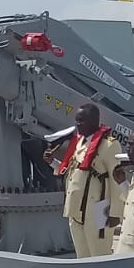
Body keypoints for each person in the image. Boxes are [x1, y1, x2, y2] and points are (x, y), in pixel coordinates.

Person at [47, 103, 124, 257]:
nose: (77, 124)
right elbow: (72, 172)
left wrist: (116, 213)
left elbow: (117, 180)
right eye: (76, 120)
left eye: (81, 120)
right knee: (82, 254)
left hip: (98, 208)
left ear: (94, 121)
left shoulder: (109, 145)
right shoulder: (79, 142)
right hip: (75, 207)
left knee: (99, 253)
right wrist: (52, 163)